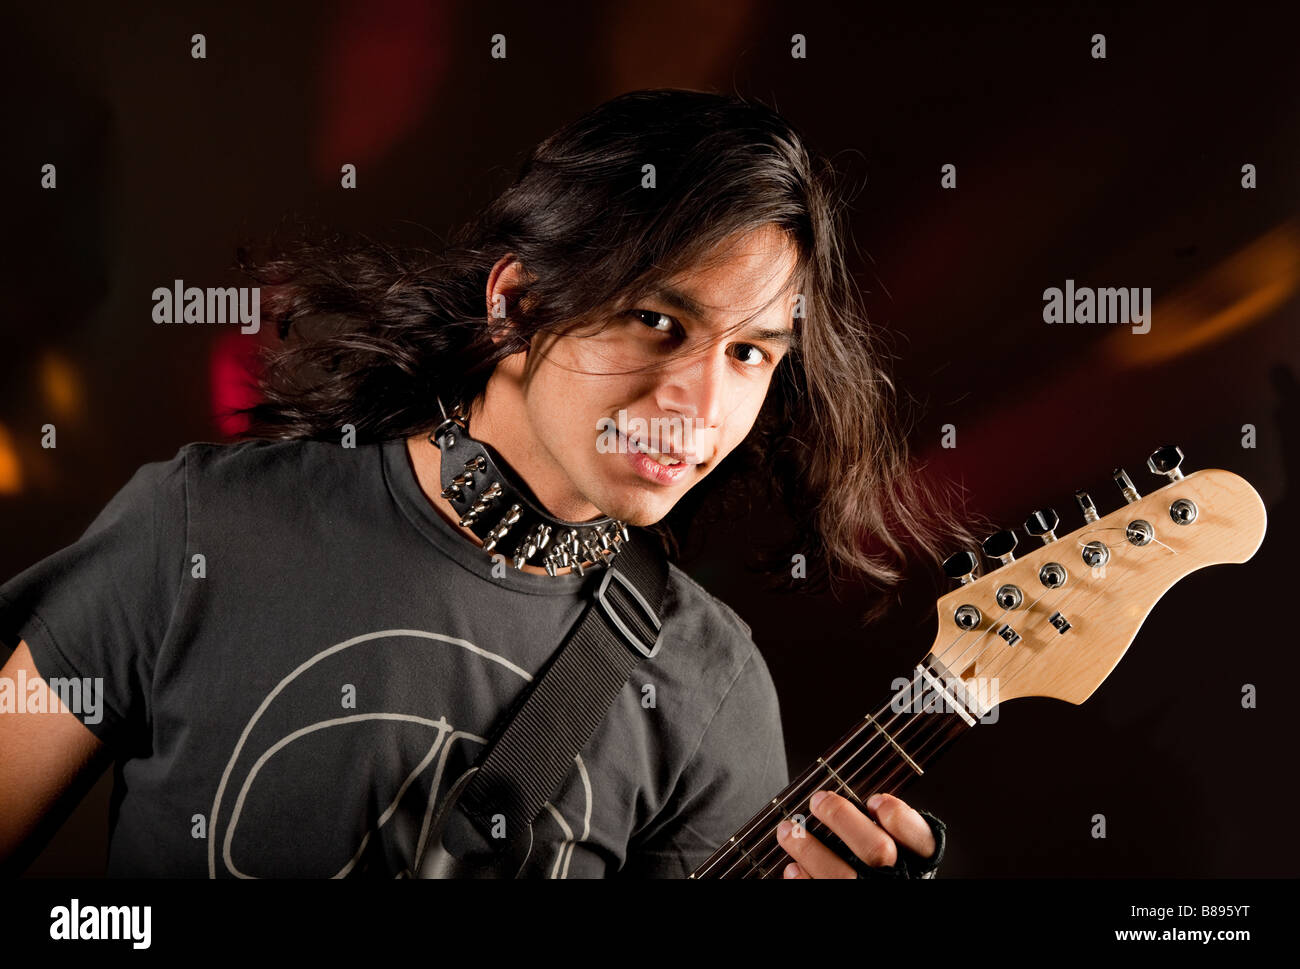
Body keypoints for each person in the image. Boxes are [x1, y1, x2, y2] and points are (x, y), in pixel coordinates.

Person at [0, 89, 966, 879]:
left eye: (752, 352)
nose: (700, 403)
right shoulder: (202, 529)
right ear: (515, 304)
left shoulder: (711, 689)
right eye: (658, 321)